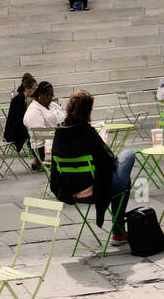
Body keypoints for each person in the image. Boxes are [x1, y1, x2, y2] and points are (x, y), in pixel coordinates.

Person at [49, 90, 136, 244]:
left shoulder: (59, 133)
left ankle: (119, 233)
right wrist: (104, 144)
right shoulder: (88, 132)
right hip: (94, 190)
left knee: (125, 183)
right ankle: (118, 232)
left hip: (68, 191)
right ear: (88, 110)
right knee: (128, 155)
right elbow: (110, 163)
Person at [5, 73, 37, 150]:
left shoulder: (22, 97)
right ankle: (35, 151)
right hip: (13, 133)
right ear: (26, 89)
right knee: (34, 132)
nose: (35, 91)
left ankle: (35, 150)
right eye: (33, 89)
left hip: (15, 129)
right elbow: (20, 118)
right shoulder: (20, 98)